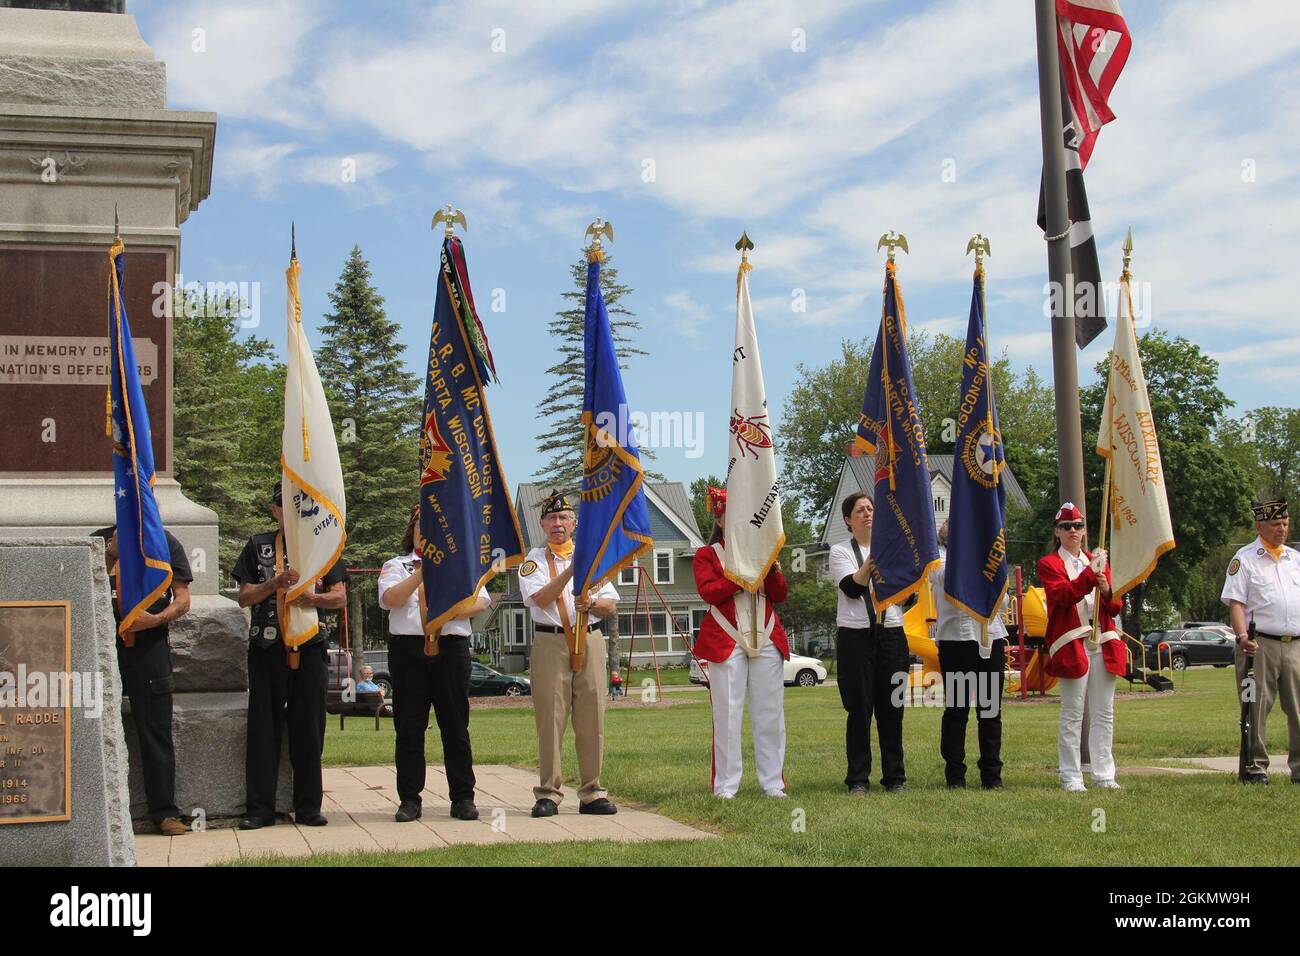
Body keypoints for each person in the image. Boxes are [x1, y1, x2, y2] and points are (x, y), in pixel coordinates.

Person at [232, 482, 348, 829]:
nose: (291, 512)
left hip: (310, 646)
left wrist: (309, 599)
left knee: (309, 728)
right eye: (284, 506)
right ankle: (260, 809)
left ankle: (309, 806)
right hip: (267, 647)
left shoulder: (322, 545)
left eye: (297, 505)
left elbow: (340, 598)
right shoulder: (257, 546)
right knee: (263, 729)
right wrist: (274, 584)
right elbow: (244, 597)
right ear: (275, 511)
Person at [378, 506, 487, 822]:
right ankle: (409, 799)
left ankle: (463, 798)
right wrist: (422, 573)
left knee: (455, 726)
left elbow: (480, 602)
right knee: (409, 727)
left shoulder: (461, 565)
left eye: (433, 528)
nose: (425, 533)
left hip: (451, 648)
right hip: (408, 650)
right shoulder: (396, 565)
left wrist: (450, 609)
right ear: (411, 532)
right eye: (419, 527)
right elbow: (391, 600)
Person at [518, 490, 620, 816]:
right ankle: (548, 792)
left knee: (592, 716)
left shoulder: (592, 556)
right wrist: (571, 572)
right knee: (551, 718)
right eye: (551, 518)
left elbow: (610, 604)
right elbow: (540, 599)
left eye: (563, 518)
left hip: (589, 638)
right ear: (542, 524)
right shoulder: (533, 560)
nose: (557, 524)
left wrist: (591, 603)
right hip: (551, 642)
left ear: (574, 523)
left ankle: (592, 792)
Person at [91, 523, 193, 836]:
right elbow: (77, 589)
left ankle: (164, 813)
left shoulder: (165, 542)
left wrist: (155, 619)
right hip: (101, 646)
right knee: (90, 728)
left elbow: (183, 599)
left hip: (149, 648)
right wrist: (110, 555)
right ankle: (93, 815)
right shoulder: (100, 540)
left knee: (155, 731)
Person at [693, 487, 790, 799]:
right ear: (719, 520)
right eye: (727, 515)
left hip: (766, 633)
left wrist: (772, 571)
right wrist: (741, 575)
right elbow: (709, 592)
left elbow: (780, 594)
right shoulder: (706, 555)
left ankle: (773, 782)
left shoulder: (765, 550)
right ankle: (726, 786)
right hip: (726, 637)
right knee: (727, 713)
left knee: (770, 713)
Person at [1038, 502, 1124, 792]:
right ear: (1057, 532)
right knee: (1073, 712)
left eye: (1077, 525)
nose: (1072, 531)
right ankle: (1070, 775)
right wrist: (1092, 576)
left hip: (1103, 640)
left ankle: (1104, 773)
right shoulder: (1049, 564)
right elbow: (1063, 595)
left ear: (1085, 530)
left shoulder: (1095, 560)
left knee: (1104, 712)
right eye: (1066, 526)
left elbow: (1114, 606)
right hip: (1072, 643)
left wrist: (1106, 586)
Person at [828, 492, 909, 794]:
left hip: (891, 634)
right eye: (860, 510)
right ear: (848, 520)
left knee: (892, 708)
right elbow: (851, 587)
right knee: (859, 709)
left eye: (871, 508)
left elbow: (906, 594)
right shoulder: (840, 551)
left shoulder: (893, 548)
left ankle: (895, 778)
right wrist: (875, 560)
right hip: (856, 636)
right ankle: (858, 778)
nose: (867, 513)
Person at [1221, 497, 1300, 784]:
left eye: (1286, 523)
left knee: (1298, 709)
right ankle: (1256, 768)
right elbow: (1236, 603)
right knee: (1255, 707)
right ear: (1259, 526)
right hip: (1259, 644)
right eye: (1276, 524)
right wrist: (1242, 636)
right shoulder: (1245, 559)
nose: (1282, 529)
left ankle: (1299, 768)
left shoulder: (1295, 559)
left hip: (1295, 644)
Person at [930, 518, 1007, 790]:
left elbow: (1003, 598)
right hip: (956, 642)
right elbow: (949, 582)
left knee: (989, 711)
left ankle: (991, 776)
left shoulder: (988, 557)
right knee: (957, 710)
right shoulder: (937, 558)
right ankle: (955, 776)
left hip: (990, 638)